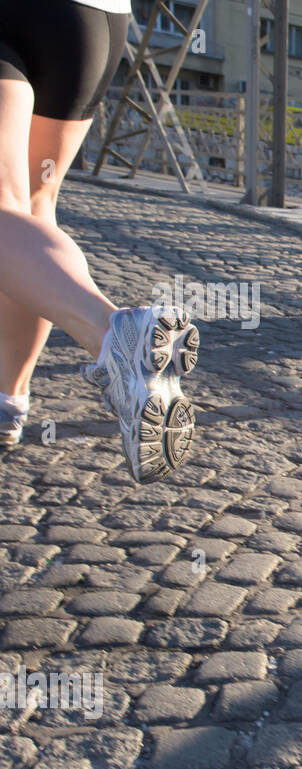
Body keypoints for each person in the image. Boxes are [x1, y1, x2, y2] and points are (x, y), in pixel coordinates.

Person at [0, 0, 199, 481]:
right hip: (91, 22)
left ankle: (112, 333)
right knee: (34, 207)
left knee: (6, 204)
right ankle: (8, 399)